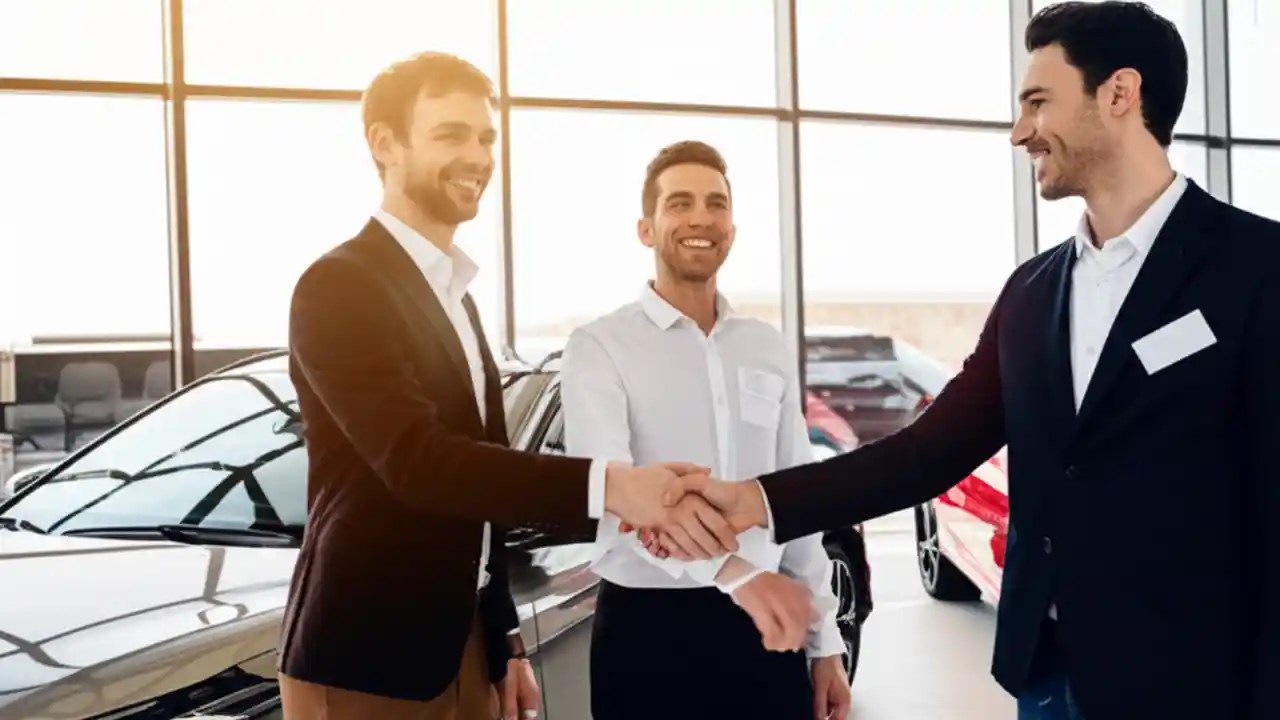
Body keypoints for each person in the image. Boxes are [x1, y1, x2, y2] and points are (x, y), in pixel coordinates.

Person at [657, 3, 1280, 719]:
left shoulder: (1258, 270)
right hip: (1049, 677)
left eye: (1038, 102)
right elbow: (929, 451)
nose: (1020, 132)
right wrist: (759, 502)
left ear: (1119, 94)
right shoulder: (1032, 292)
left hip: (1199, 684)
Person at [276, 52, 728, 720]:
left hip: (463, 652)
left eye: (486, 137)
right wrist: (612, 485)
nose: (479, 155)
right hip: (367, 660)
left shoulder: (453, 295)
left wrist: (504, 641)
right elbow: (417, 462)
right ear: (384, 144)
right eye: (451, 134)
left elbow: (476, 507)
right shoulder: (340, 285)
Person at [560, 141, 851, 720]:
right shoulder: (598, 348)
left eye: (716, 204)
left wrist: (826, 646)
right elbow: (615, 504)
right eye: (680, 203)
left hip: (765, 630)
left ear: (732, 229)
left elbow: (797, 499)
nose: (700, 218)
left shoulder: (763, 346)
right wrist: (735, 575)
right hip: (649, 634)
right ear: (647, 228)